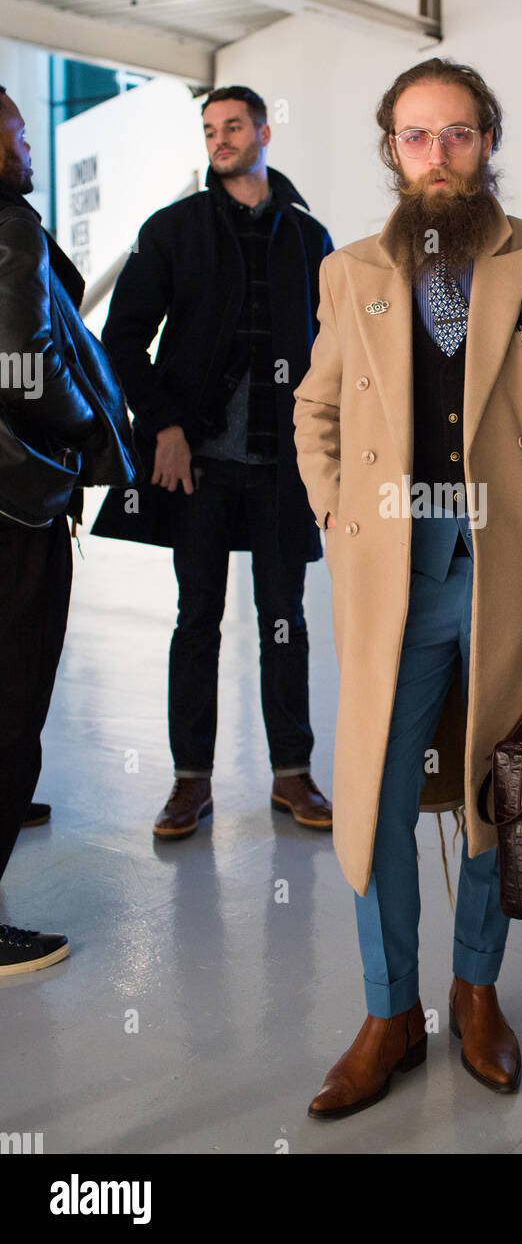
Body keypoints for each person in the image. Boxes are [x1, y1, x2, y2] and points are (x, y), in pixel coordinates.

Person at [293, 57, 522, 1117]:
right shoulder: (348, 271)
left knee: (498, 795)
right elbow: (317, 410)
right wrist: (337, 517)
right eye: (415, 135)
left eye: (457, 133)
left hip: (511, 576)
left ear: (487, 141)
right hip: (392, 579)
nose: (436, 155)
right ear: (390, 150)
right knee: (376, 802)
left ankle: (475, 991)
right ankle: (389, 1012)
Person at [91, 86, 334, 839]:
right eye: (209, 129)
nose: (219, 139)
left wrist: (331, 457)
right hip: (196, 465)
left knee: (285, 621)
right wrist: (162, 424)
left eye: (232, 126)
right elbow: (121, 340)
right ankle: (190, 782)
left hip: (282, 468)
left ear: (263, 131)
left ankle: (292, 774)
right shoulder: (172, 229)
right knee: (196, 620)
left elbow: (333, 353)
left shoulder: (308, 235)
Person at [0, 86, 137, 975]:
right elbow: (21, 362)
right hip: (14, 505)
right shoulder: (7, 223)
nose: (25, 145)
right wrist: (91, 430)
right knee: (13, 704)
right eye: (15, 131)